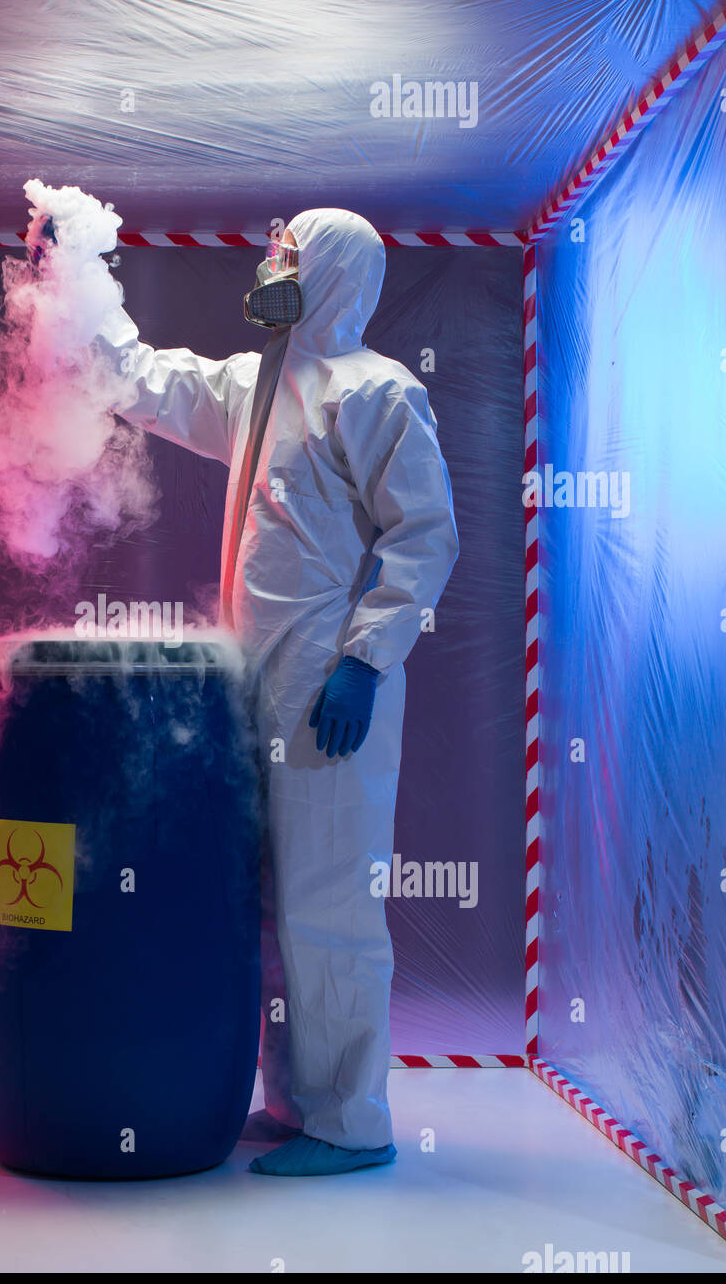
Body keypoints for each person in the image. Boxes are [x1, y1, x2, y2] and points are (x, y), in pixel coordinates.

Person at [91, 208, 459, 1176]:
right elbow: (148, 381)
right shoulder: (256, 384)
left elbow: (425, 535)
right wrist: (75, 284)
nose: (267, 267)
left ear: (331, 268)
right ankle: (298, 1101)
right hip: (257, 684)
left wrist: (365, 661)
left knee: (328, 900)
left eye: (284, 254)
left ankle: (353, 1121)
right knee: (269, 901)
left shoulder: (377, 390)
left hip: (325, 688)